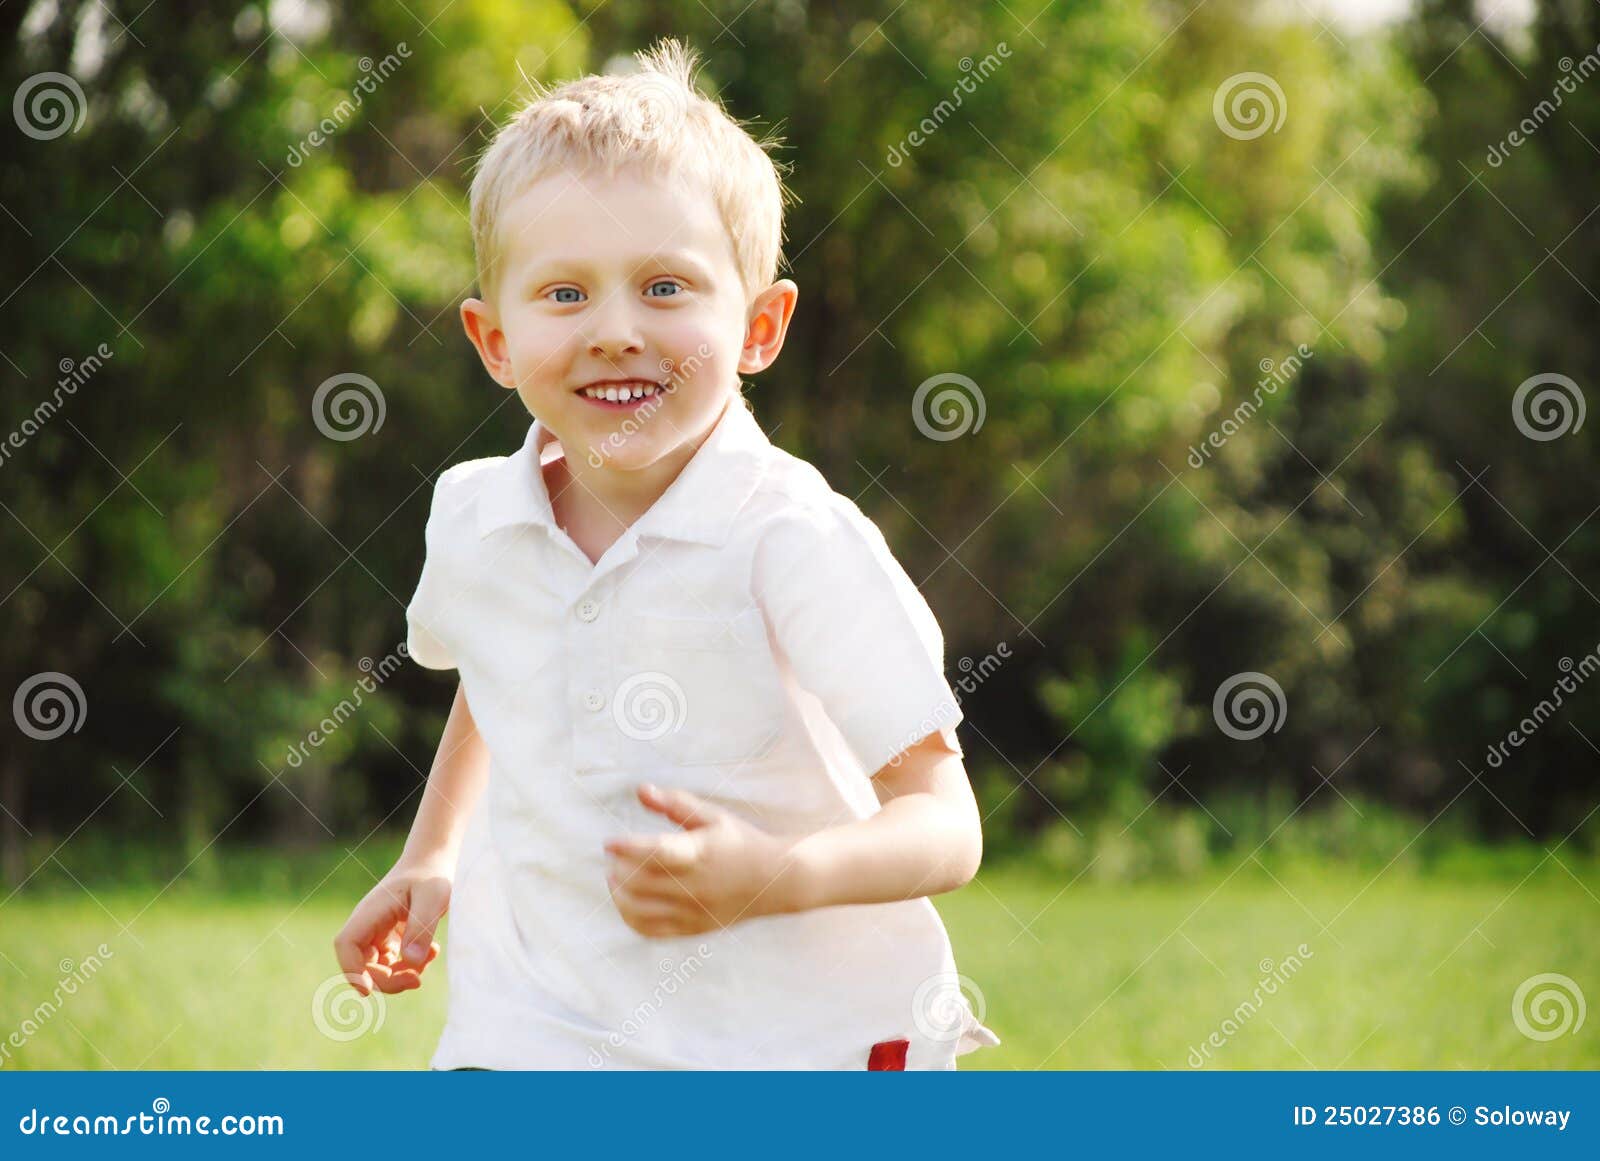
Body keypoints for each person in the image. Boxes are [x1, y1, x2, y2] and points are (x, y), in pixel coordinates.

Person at [333, 38, 997, 1070]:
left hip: (799, 1049)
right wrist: (433, 854)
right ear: (492, 340)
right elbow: (499, 675)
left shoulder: (792, 539)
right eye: (563, 295)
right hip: (537, 1036)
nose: (613, 331)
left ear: (760, 326)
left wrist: (774, 873)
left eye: (666, 287)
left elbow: (944, 825)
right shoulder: (474, 517)